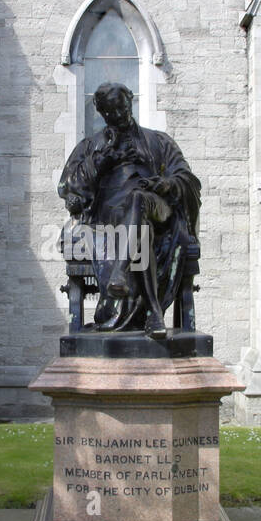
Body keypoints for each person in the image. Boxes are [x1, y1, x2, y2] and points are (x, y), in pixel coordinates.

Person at [57, 82, 201, 338]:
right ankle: (154, 315)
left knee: (138, 200)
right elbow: (67, 186)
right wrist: (101, 161)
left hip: (159, 209)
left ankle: (119, 272)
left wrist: (166, 183)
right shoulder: (92, 146)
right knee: (140, 229)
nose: (119, 116)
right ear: (101, 113)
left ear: (130, 102)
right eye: (111, 112)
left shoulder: (158, 141)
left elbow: (187, 178)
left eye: (122, 109)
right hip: (113, 215)